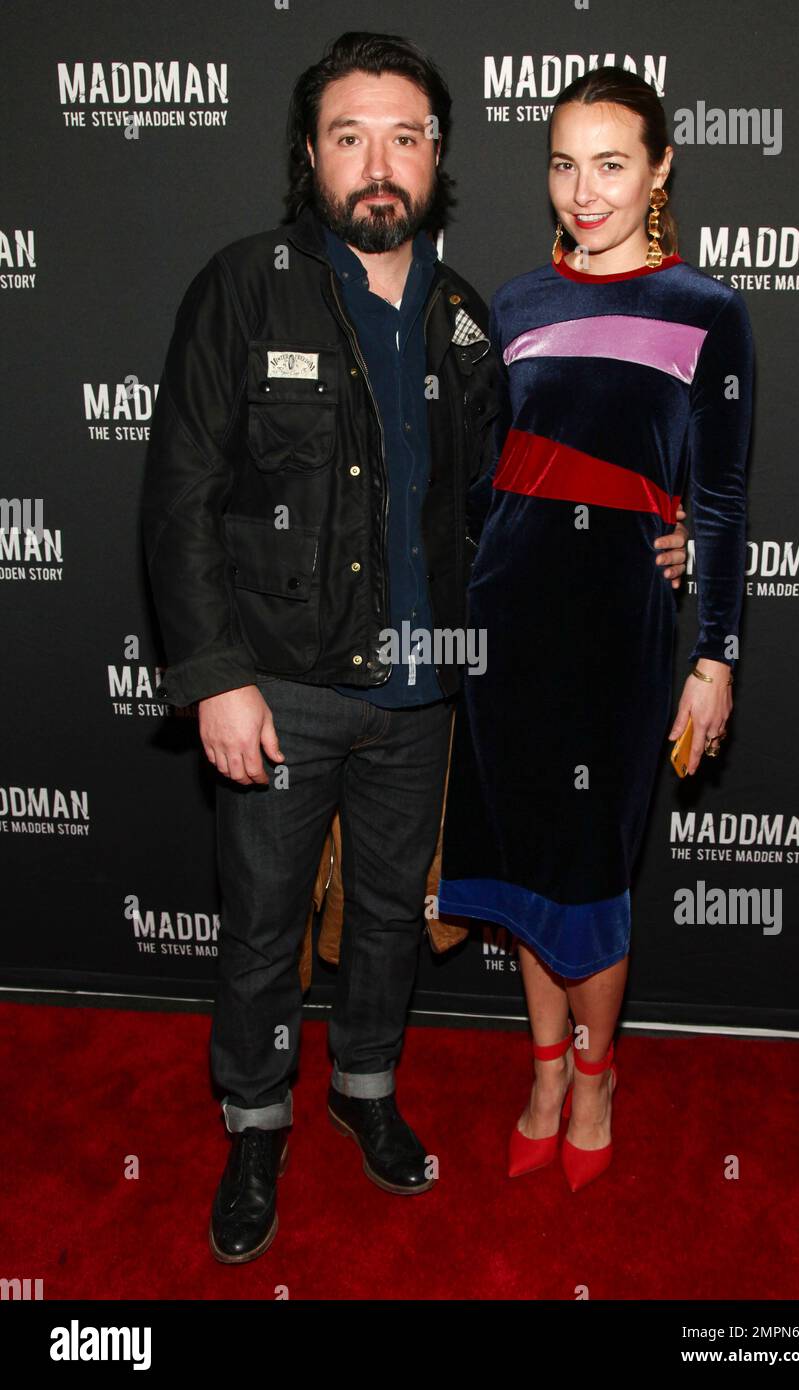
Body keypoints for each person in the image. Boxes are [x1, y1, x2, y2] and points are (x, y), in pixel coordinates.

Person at [141, 35, 690, 1264]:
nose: (377, 161)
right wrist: (215, 675)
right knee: (263, 921)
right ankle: (258, 1119)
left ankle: (368, 1090)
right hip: (277, 684)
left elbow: (524, 499)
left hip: (426, 692)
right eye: (350, 135)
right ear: (310, 155)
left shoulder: (464, 319)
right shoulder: (246, 284)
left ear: (438, 155)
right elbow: (178, 494)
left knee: (391, 913)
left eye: (403, 136)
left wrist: (659, 545)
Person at [437, 65, 754, 1194]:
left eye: (610, 163)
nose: (584, 190)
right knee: (525, 867)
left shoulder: (707, 314)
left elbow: (715, 501)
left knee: (591, 873)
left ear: (659, 168)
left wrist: (713, 652)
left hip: (617, 634)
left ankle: (595, 1070)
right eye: (564, 163)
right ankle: (537, 1067)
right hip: (504, 624)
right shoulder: (510, 307)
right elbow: (480, 482)